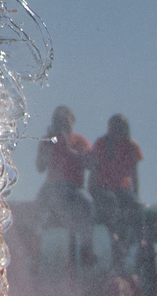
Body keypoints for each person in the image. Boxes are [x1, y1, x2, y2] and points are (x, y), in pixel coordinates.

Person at [32, 106, 95, 264]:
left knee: (88, 203)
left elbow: (89, 163)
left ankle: (87, 249)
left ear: (72, 123)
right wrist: (49, 145)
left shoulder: (79, 141)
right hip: (53, 187)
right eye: (58, 122)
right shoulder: (48, 141)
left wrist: (68, 148)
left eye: (65, 122)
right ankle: (33, 250)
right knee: (37, 208)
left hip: (74, 188)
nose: (62, 126)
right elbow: (40, 167)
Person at [88, 114, 144, 272]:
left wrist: (137, 196)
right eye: (115, 126)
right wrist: (91, 191)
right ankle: (114, 238)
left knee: (137, 207)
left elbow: (134, 174)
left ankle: (139, 242)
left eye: (122, 126)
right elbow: (93, 169)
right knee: (111, 201)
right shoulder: (101, 144)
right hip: (103, 189)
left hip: (124, 190)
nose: (119, 130)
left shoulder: (132, 147)